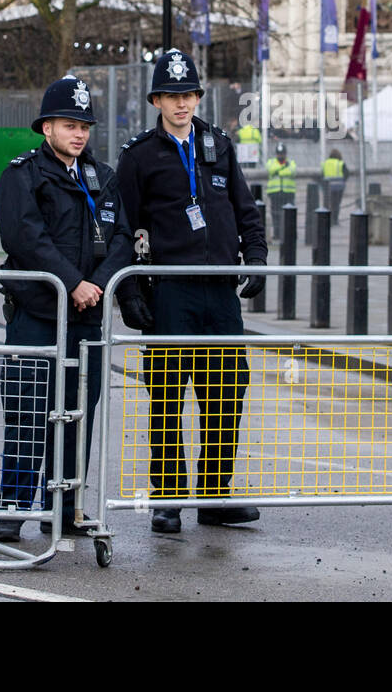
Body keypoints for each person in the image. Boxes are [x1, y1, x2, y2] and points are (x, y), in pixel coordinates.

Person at [115, 48, 267, 534]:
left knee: (225, 392)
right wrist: (130, 291)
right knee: (166, 395)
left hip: (220, 291)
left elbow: (246, 209)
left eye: (189, 95)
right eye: (171, 96)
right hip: (171, 291)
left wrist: (258, 258)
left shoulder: (219, 144)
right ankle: (168, 498)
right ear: (156, 99)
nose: (181, 104)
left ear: (199, 97)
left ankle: (215, 496)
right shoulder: (139, 155)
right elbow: (123, 226)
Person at [0, 75, 132, 542]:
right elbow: (24, 237)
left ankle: (67, 506)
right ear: (46, 127)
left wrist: (95, 285)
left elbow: (123, 240)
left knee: (77, 414)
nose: (79, 134)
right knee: (29, 411)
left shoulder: (102, 176)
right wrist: (72, 283)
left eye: (85, 126)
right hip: (37, 316)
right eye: (70, 125)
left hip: (87, 319)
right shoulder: (23, 174)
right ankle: (13, 508)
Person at [265, 142, 296, 238]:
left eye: (282, 153)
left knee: (289, 215)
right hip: (275, 193)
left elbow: (292, 171)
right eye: (279, 153)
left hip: (288, 192)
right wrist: (283, 168)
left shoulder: (291, 162)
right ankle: (277, 234)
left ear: (285, 153)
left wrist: (278, 171)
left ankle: (289, 234)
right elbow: (270, 170)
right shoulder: (271, 162)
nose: (280, 155)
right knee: (276, 215)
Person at [322, 148, 348, 226]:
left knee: (328, 204)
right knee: (336, 204)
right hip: (338, 187)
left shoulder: (325, 163)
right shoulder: (340, 163)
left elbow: (322, 174)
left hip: (328, 187)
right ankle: (335, 219)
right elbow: (346, 173)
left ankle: (327, 219)